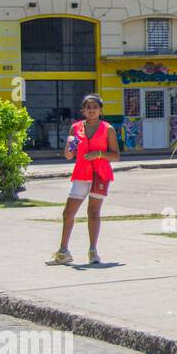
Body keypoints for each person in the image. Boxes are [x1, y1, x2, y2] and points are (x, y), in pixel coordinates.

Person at [47, 93, 120, 266]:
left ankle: (93, 251)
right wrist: (69, 146)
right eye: (88, 108)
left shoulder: (108, 129)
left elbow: (116, 156)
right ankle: (63, 252)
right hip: (81, 173)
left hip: (100, 174)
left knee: (93, 212)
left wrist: (99, 154)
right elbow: (68, 155)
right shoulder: (76, 128)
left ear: (101, 110)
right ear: (83, 110)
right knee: (68, 213)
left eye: (95, 107)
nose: (92, 110)